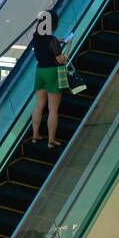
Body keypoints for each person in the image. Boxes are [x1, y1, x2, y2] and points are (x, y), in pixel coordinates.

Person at [30, 12, 68, 149]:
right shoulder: (52, 40)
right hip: (52, 72)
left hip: (40, 71)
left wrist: (59, 42)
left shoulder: (36, 37)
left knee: (39, 104)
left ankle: (35, 135)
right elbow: (61, 59)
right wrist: (68, 45)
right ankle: (51, 140)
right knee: (53, 109)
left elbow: (47, 47)